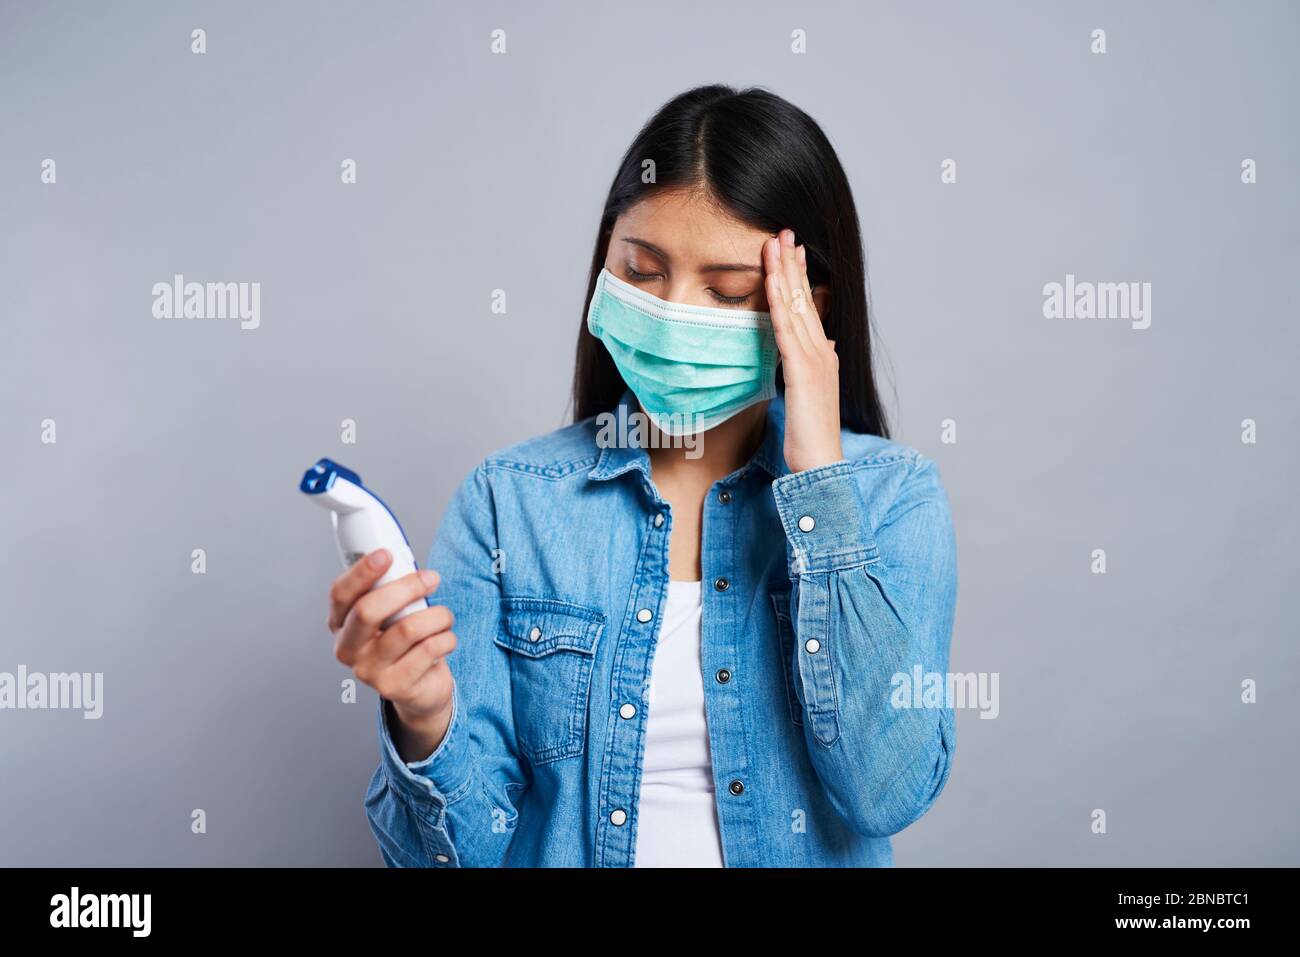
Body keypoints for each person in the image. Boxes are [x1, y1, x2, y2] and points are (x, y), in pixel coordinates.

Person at [324, 84, 958, 867]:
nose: (671, 312)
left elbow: (887, 791)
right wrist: (422, 713)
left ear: (808, 304)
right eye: (643, 271)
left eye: (726, 291)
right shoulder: (507, 501)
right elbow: (459, 855)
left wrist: (819, 478)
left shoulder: (894, 497)